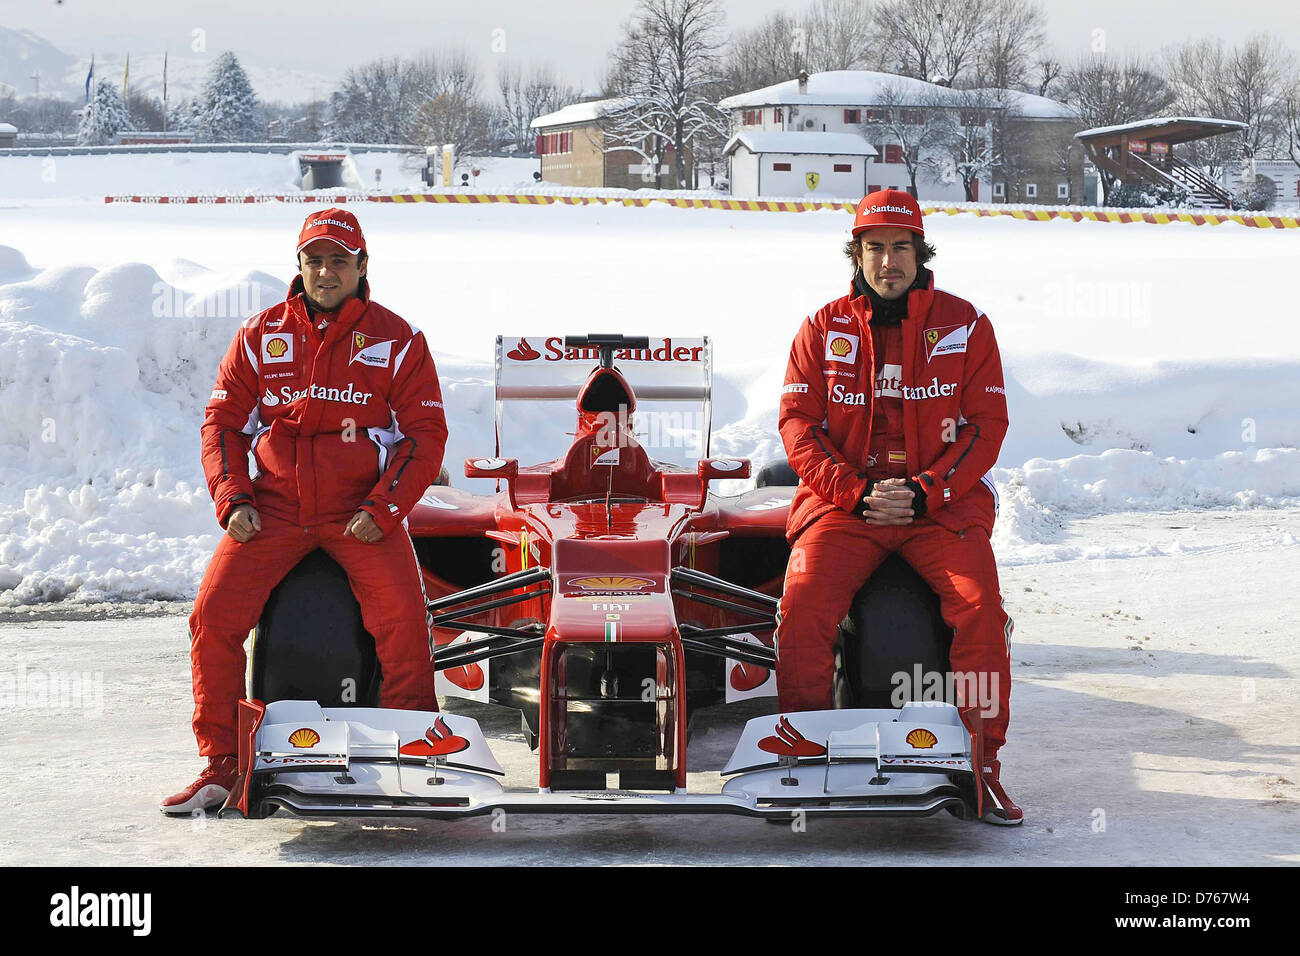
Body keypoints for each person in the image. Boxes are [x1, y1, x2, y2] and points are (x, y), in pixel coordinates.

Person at [162, 208, 448, 814]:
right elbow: (223, 425)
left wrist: (386, 506)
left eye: (338, 261)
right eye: (314, 260)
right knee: (211, 618)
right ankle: (222, 765)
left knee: (402, 621)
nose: (325, 272)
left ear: (362, 267)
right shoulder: (261, 333)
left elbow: (424, 435)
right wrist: (232, 496)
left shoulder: (398, 341)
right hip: (274, 509)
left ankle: (416, 753)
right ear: (298, 266)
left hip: (360, 513)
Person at [775, 189, 1021, 824]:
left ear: (921, 252)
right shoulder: (820, 327)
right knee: (801, 607)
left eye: (901, 247)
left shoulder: (966, 325)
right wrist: (853, 492)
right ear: (856, 255)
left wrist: (926, 491)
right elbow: (799, 427)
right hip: (845, 507)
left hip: (940, 508)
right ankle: (802, 758)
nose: (889, 261)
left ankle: (978, 765)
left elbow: (985, 427)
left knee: (982, 611)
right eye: (875, 248)